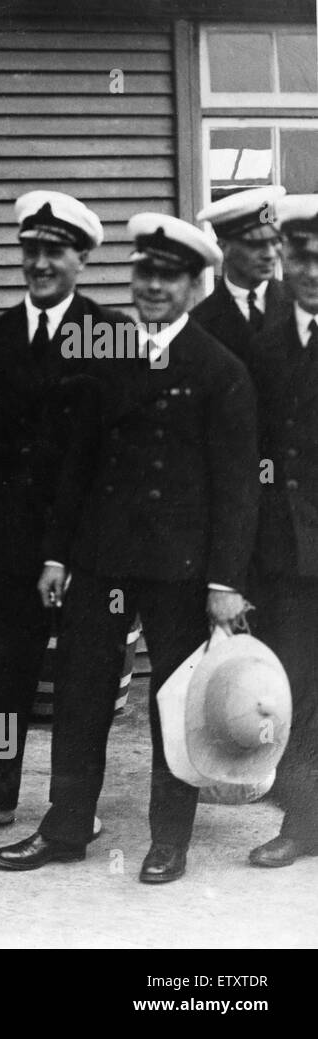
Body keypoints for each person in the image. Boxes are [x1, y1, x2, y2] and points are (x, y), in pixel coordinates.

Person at [0, 213, 258, 883]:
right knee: (81, 695)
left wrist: (224, 579)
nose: (151, 287)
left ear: (194, 286)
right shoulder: (100, 353)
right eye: (144, 272)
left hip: (180, 565)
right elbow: (76, 464)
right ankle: (64, 826)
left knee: (176, 701)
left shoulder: (219, 368)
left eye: (167, 276)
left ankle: (168, 838)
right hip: (102, 556)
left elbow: (236, 487)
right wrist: (57, 554)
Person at [0, 191, 126, 837]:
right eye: (31, 252)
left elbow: (117, 447)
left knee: (84, 678)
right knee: (0, 671)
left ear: (81, 258)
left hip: (86, 543)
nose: (40, 264)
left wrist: (90, 545)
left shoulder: (108, 333)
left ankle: (73, 805)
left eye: (55, 252)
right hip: (6, 539)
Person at [244, 193, 318, 868]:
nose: (314, 270)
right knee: (295, 684)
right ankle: (302, 821)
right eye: (302, 257)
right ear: (284, 260)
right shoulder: (262, 344)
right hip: (287, 555)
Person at [191, 186, 290, 364]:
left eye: (275, 242)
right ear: (223, 247)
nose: (270, 254)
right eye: (256, 244)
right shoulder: (200, 322)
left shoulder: (303, 306)